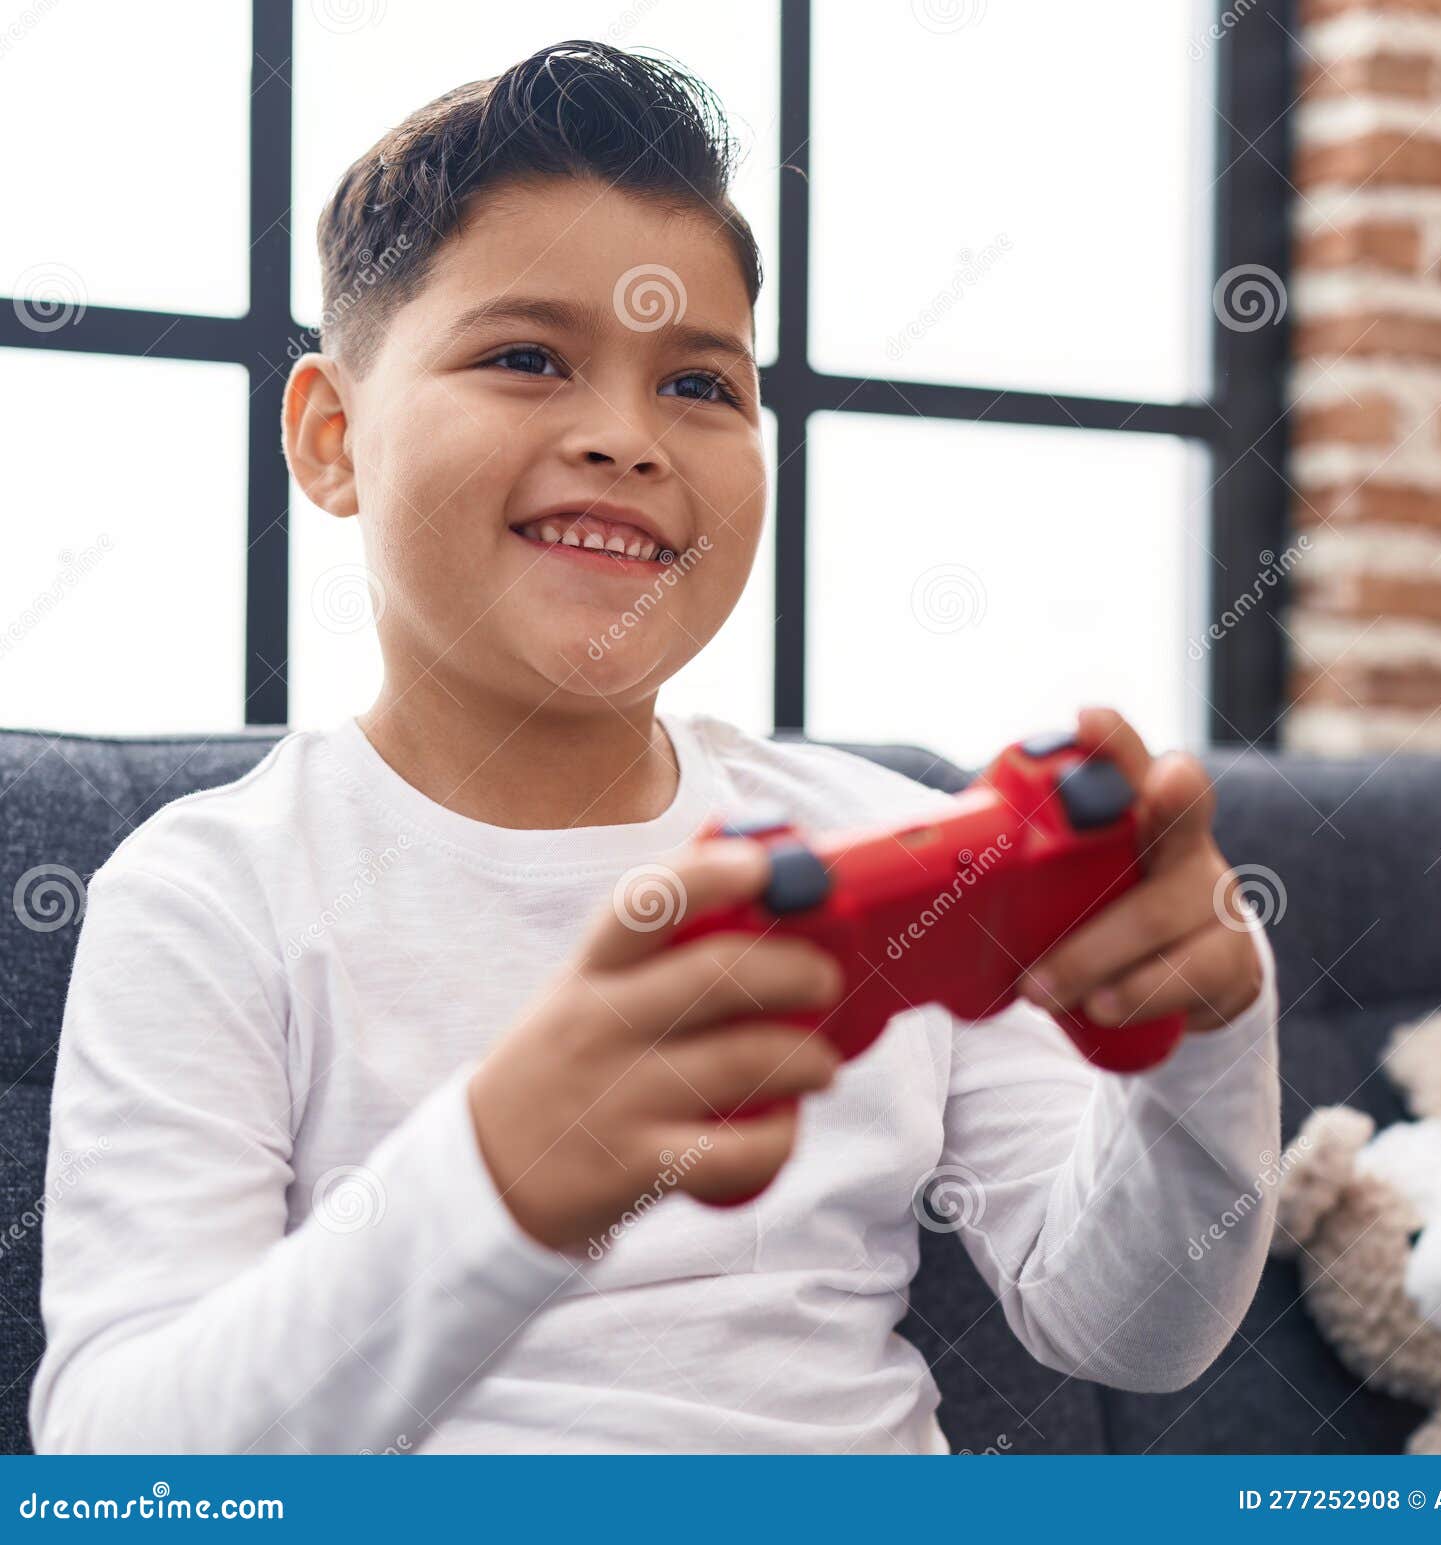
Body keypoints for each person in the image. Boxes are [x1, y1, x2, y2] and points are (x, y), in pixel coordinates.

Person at [29, 40, 1277, 1455]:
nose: (627, 438)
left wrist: (1200, 1036)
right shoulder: (211, 893)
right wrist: (502, 1171)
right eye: (525, 357)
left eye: (700, 386)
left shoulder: (883, 843)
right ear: (331, 437)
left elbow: (1127, 1328)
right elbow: (118, 1464)